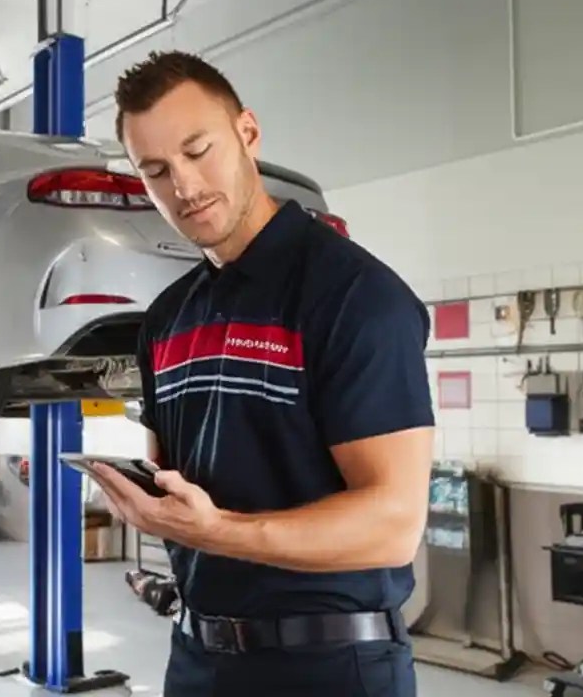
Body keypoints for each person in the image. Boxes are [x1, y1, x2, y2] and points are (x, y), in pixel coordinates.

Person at [87, 50, 435, 696]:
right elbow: (176, 484)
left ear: (248, 132)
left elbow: (393, 525)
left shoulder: (354, 296)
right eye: (156, 171)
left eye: (198, 150)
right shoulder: (167, 319)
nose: (184, 187)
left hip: (330, 669)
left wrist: (219, 532)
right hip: (197, 660)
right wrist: (153, 506)